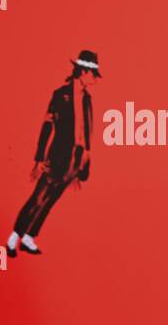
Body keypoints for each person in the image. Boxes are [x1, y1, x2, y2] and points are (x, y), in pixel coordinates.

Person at [6, 50, 100, 259]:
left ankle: (29, 236)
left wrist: (82, 168)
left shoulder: (87, 99)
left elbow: (87, 135)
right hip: (57, 157)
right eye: (93, 73)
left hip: (75, 161)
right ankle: (14, 236)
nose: (95, 79)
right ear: (83, 72)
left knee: (51, 201)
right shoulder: (61, 95)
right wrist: (39, 158)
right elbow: (47, 126)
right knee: (38, 198)